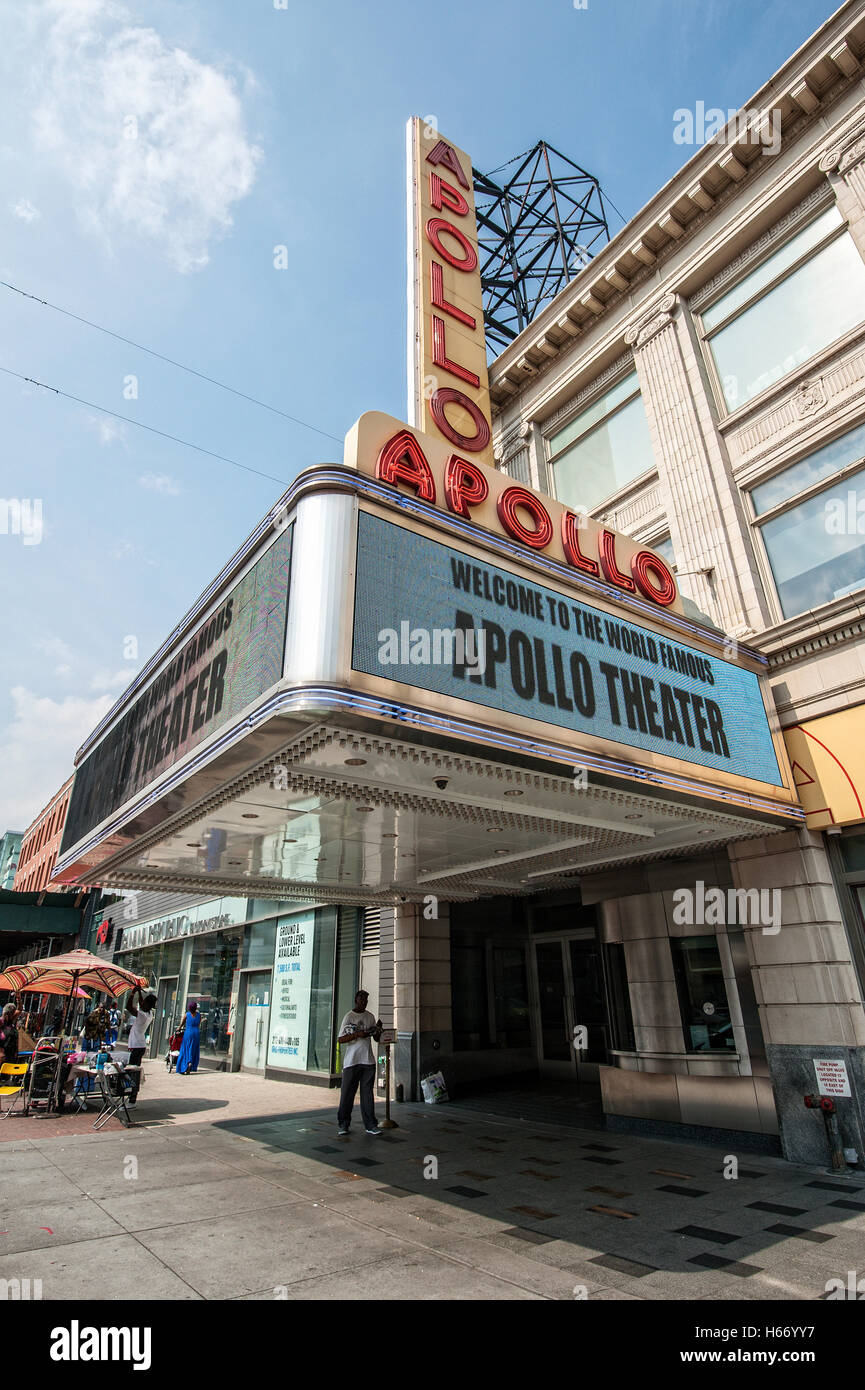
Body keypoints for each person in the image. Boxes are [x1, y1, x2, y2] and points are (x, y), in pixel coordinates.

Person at [336, 990, 383, 1136]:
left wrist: (377, 1031)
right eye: (362, 1000)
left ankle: (370, 1125)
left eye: (366, 1001)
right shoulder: (349, 1017)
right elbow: (340, 1039)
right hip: (352, 1061)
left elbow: (376, 1039)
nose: (364, 1002)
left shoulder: (370, 1017)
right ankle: (343, 1124)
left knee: (367, 1094)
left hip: (368, 1060)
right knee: (347, 1094)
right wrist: (357, 1034)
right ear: (356, 1000)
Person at [125, 986, 156, 1104]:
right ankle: (132, 1096)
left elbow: (129, 1007)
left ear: (147, 1005)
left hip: (137, 1046)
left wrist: (133, 993)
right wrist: (138, 992)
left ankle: (132, 1098)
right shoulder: (149, 1014)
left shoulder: (142, 1015)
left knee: (132, 1073)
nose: (141, 1004)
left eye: (144, 1003)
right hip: (139, 1045)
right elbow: (142, 1003)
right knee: (134, 1072)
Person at [175, 1000, 201, 1074]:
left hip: (188, 1032)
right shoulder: (199, 1015)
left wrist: (179, 1028)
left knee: (185, 1048)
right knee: (193, 1049)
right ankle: (192, 1063)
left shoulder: (187, 1014)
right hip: (196, 1033)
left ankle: (186, 1064)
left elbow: (182, 1023)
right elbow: (198, 1024)